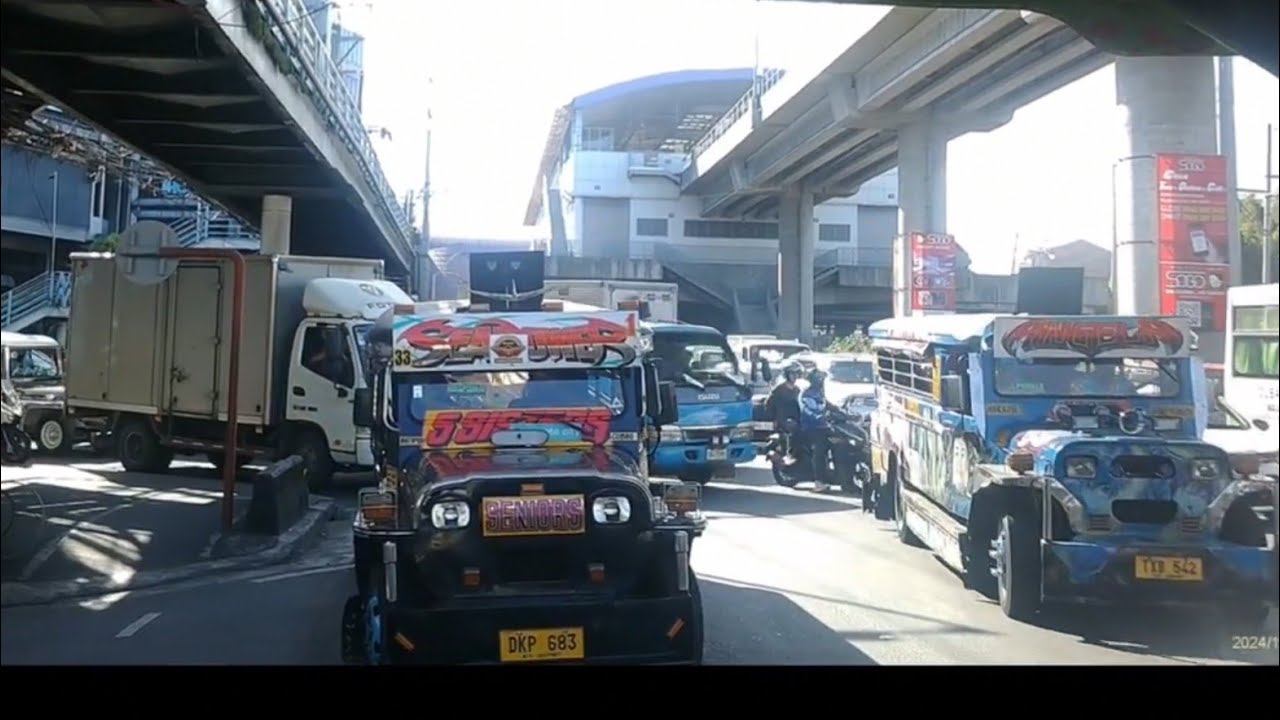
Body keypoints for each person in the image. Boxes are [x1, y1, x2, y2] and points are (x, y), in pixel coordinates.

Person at [798, 368, 830, 492]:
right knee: (819, 451)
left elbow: (828, 406)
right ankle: (819, 481)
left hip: (823, 426)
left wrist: (846, 414)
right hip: (811, 427)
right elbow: (806, 410)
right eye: (819, 379)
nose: (821, 381)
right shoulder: (806, 394)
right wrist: (818, 417)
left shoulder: (820, 393)